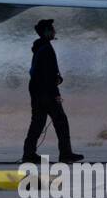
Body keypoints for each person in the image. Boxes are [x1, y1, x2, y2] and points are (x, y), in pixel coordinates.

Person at [21, 19, 83, 163]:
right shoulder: (46, 49)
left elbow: (41, 73)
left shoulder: (39, 47)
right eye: (52, 29)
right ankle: (66, 154)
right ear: (46, 32)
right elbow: (48, 76)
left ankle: (28, 154)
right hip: (46, 93)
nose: (54, 31)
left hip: (37, 92)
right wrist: (56, 94)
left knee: (37, 124)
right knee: (61, 121)